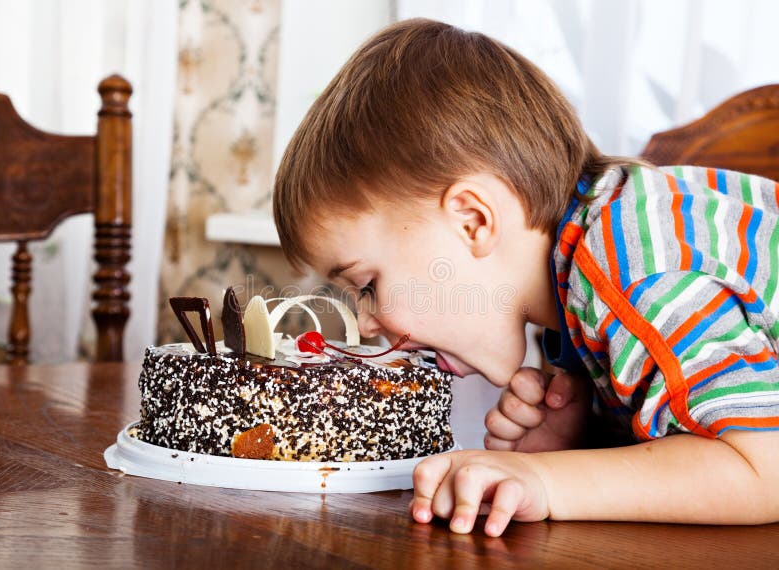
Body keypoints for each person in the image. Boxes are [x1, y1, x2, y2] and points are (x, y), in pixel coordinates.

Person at [272, 18, 779, 536]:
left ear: (473, 220)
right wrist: (583, 439)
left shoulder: (632, 260)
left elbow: (763, 469)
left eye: (367, 285)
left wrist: (543, 478)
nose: (366, 322)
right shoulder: (571, 288)